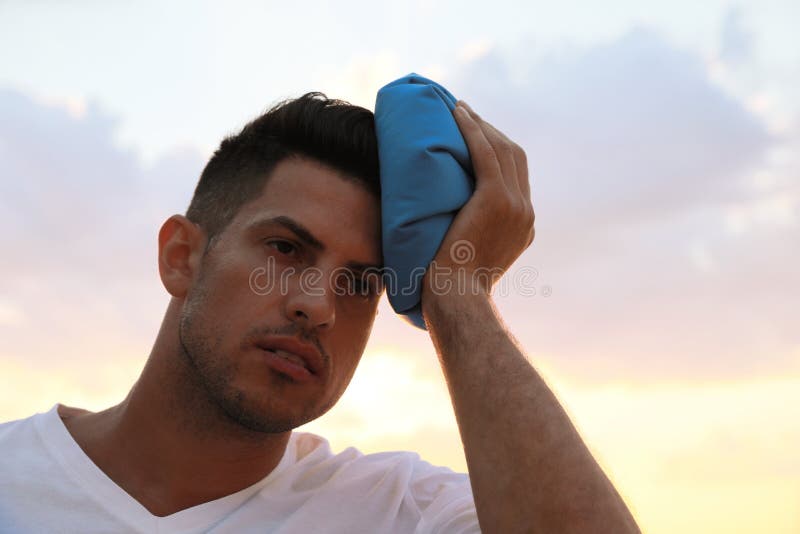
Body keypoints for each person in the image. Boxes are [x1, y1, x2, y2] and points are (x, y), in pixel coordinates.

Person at [0, 93, 640, 533]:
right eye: (284, 248)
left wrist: (458, 295)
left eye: (362, 283)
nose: (318, 306)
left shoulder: (397, 512)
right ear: (181, 257)